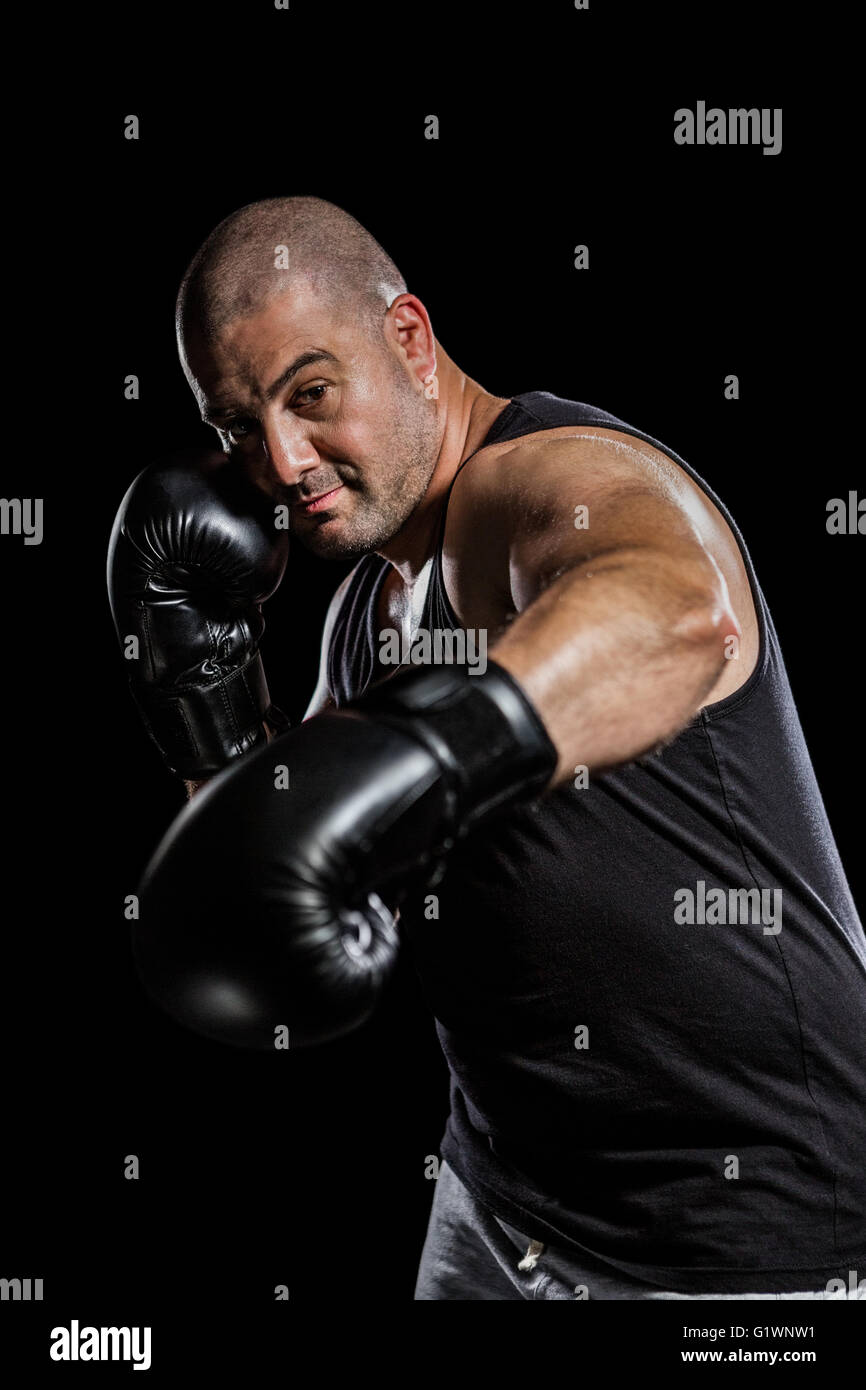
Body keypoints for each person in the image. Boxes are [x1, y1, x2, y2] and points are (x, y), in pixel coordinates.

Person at [108, 197, 866, 1300]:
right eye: (237, 429)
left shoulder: (538, 483)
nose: (282, 461)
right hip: (503, 1205)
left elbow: (672, 609)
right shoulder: (362, 609)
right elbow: (271, 867)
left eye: (310, 395)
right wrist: (205, 707)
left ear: (408, 341)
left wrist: (436, 744)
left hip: (737, 1237)